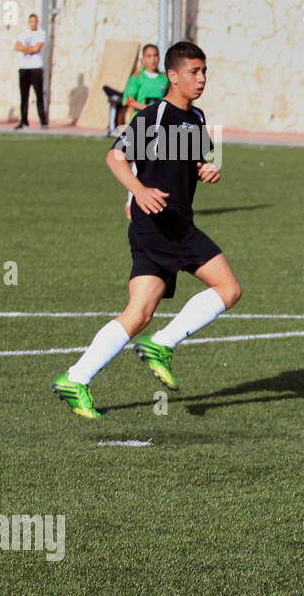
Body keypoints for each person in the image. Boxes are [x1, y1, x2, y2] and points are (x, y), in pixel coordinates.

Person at [53, 42, 242, 419]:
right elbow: (115, 156)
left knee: (138, 314)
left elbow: (197, 163)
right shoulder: (154, 116)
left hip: (167, 225)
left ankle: (75, 378)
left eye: (205, 71)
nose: (202, 78)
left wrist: (208, 171)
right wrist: (138, 190)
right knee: (229, 288)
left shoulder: (198, 118)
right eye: (194, 72)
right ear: (173, 76)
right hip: (161, 226)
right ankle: (164, 343)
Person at [119, 44, 170, 218]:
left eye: (155, 55)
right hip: (141, 125)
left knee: (158, 164)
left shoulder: (164, 79)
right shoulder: (138, 78)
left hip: (160, 127)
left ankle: (157, 202)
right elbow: (129, 100)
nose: (153, 59)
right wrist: (149, 108)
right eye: (149, 56)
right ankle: (130, 202)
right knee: (137, 164)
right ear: (143, 59)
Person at [14, 13, 48, 130]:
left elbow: (36, 48)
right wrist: (29, 49)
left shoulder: (41, 33)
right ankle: (24, 121)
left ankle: (43, 121)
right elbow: (17, 46)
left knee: (39, 95)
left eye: (35, 21)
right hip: (24, 68)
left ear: (37, 22)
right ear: (29, 22)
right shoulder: (23, 33)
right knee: (24, 96)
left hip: (36, 68)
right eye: (31, 21)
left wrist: (25, 49)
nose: (33, 23)